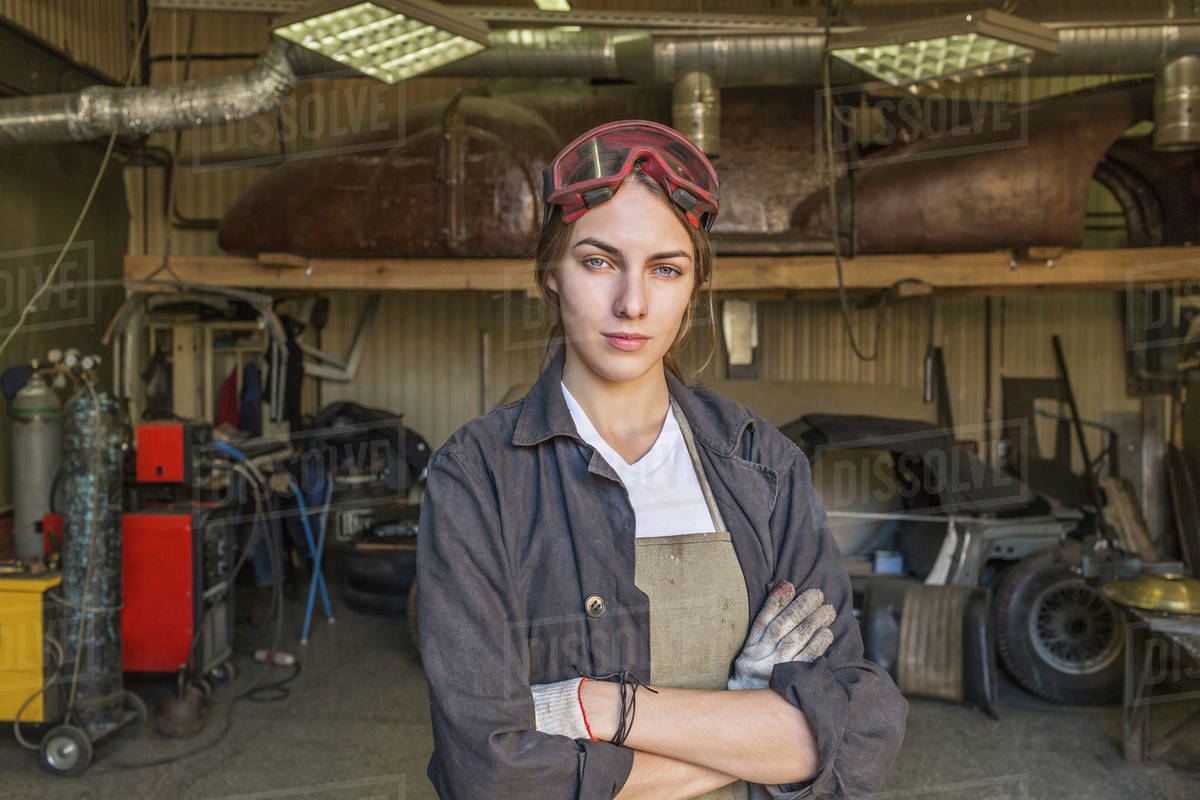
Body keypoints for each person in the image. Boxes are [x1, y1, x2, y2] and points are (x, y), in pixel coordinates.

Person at [417, 120, 907, 800]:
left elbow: (861, 728)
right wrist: (751, 730)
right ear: (551, 276)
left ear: (693, 286)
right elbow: (494, 778)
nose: (632, 303)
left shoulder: (762, 467)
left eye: (665, 269)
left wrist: (605, 707)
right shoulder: (477, 480)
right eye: (597, 261)